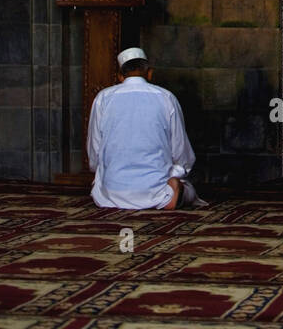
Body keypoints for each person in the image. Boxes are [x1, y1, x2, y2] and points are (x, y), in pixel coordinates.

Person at [86, 47, 206, 211]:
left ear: (120, 76)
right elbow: (181, 153)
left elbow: (95, 150)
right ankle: (171, 192)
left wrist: (100, 170)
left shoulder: (103, 98)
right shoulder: (166, 97)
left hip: (112, 193)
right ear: (149, 73)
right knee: (189, 191)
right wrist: (176, 173)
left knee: (103, 181)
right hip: (156, 190)